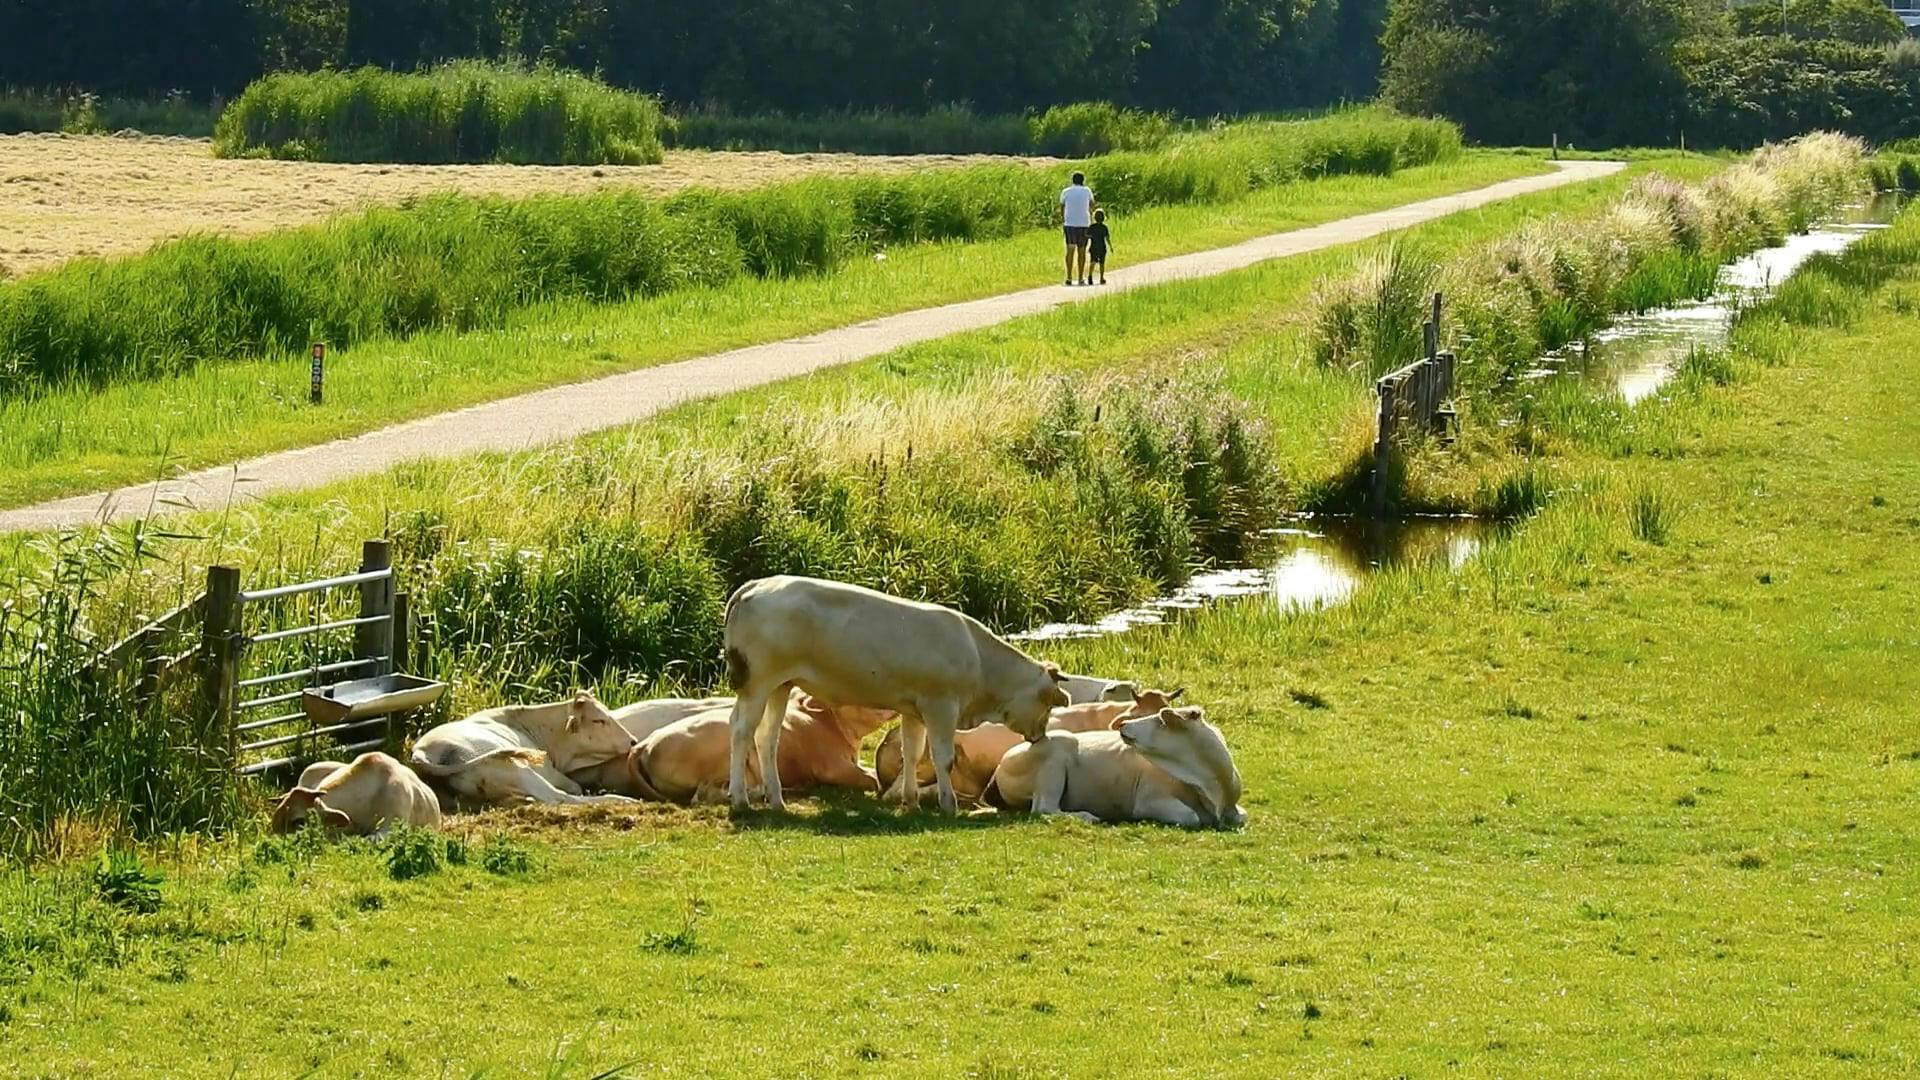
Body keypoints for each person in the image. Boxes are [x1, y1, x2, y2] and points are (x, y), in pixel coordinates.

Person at [1059, 171, 1095, 286]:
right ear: (1082, 180)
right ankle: (1080, 277)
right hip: (1084, 223)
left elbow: (1062, 207)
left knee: (1070, 250)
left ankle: (1069, 277)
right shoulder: (1087, 191)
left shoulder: (1066, 191)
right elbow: (1092, 205)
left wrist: (1064, 219)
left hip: (1070, 223)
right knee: (1082, 250)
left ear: (1072, 180)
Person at [1087, 208, 1111, 285]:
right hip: (1102, 247)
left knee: (1092, 262)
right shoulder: (1104, 227)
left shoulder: (1092, 227)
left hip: (1093, 246)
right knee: (1102, 263)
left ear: (1095, 217)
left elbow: (1087, 235)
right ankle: (1101, 278)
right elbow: (1107, 238)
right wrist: (1110, 246)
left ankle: (1090, 276)